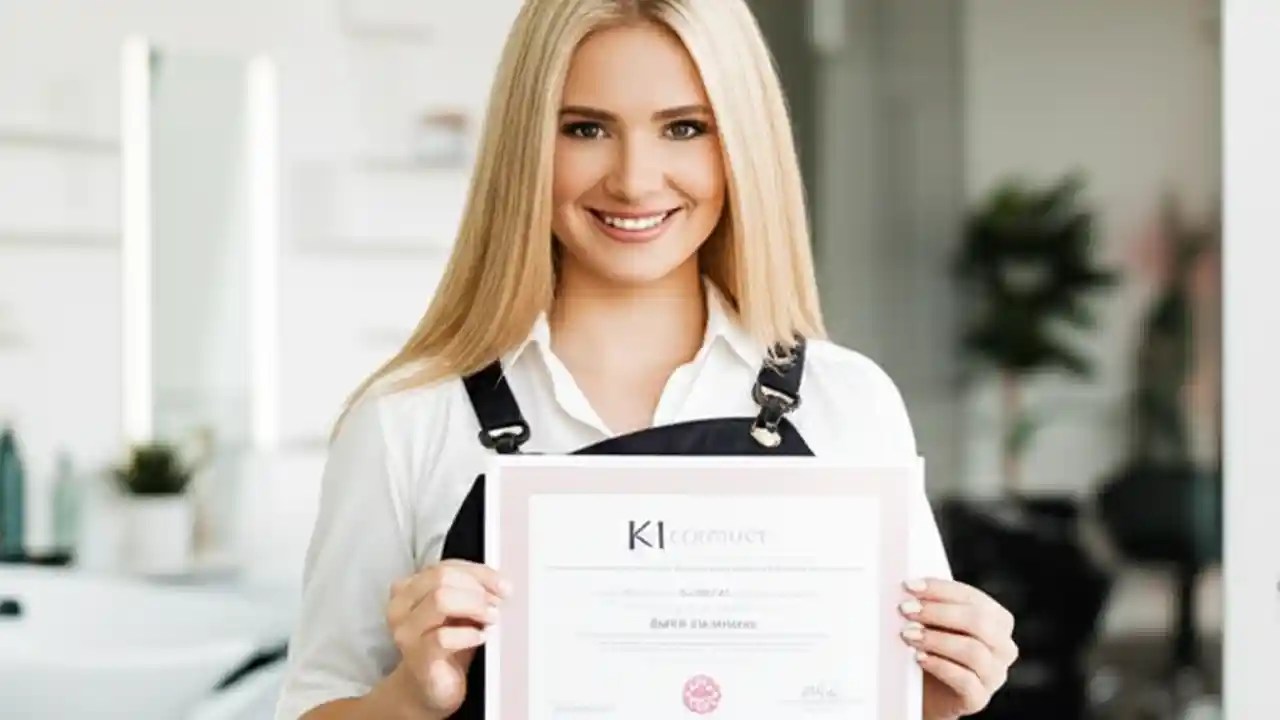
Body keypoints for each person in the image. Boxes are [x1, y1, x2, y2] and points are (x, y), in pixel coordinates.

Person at [275, 1, 1018, 719]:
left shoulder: (850, 402)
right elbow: (313, 707)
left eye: (685, 127)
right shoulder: (405, 421)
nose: (634, 178)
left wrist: (936, 700)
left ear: (743, 146)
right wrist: (411, 700)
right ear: (526, 143)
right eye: (587, 128)